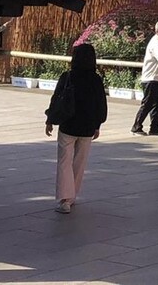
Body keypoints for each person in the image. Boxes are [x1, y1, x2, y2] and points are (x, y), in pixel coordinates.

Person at [45, 42, 108, 214]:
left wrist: (50, 119)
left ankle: (64, 198)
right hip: (87, 126)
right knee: (80, 163)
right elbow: (101, 104)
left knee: (64, 162)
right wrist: (98, 124)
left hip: (68, 124)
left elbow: (56, 98)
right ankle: (72, 196)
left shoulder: (67, 77)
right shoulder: (96, 80)